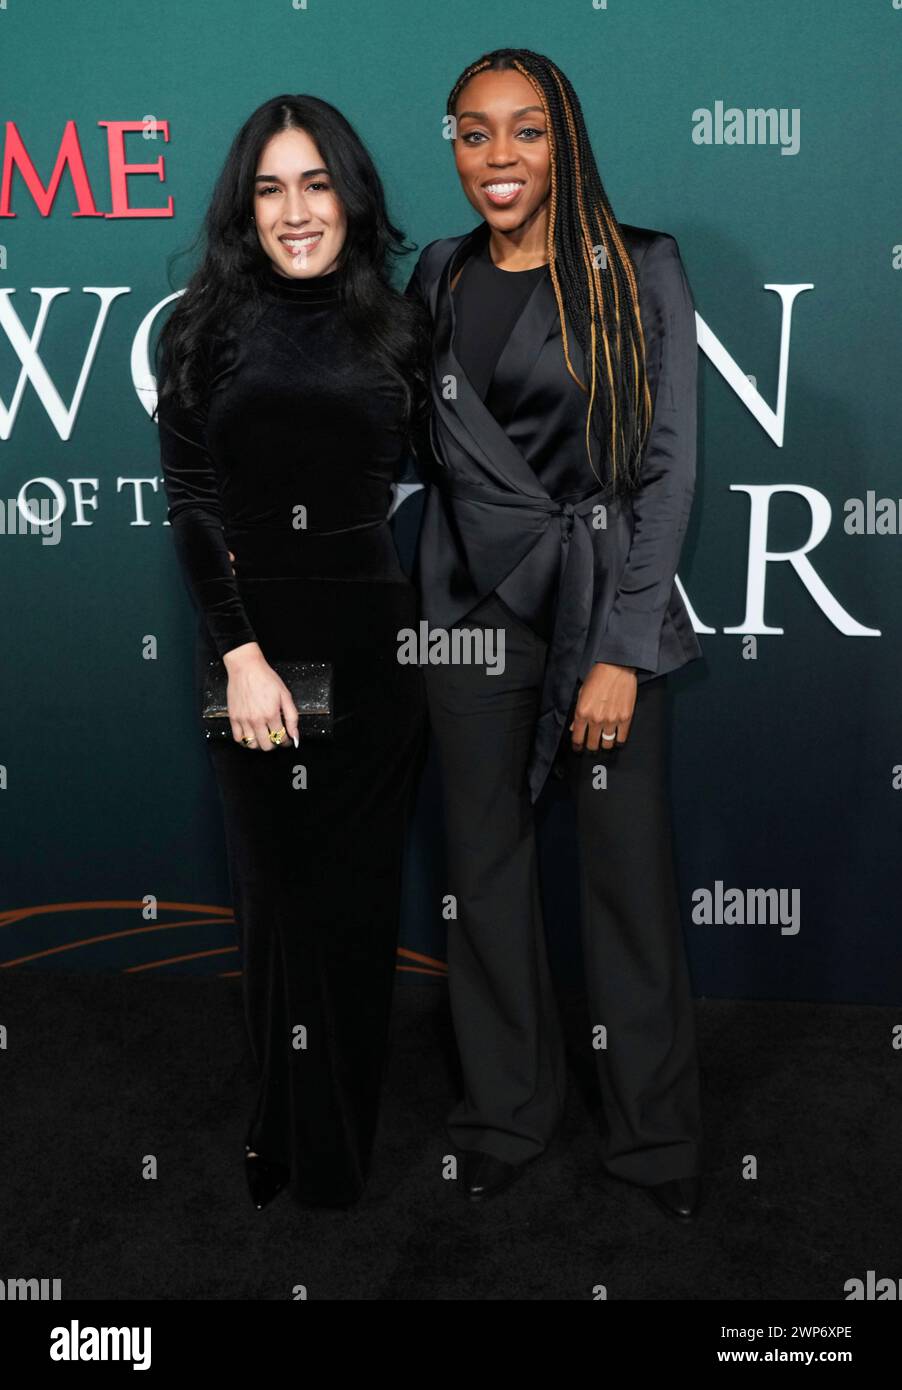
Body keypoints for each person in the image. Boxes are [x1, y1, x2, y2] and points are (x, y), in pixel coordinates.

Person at [406, 48, 704, 1220]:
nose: (497, 158)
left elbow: (669, 465)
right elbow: (408, 445)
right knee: (481, 876)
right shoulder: (434, 271)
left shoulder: (638, 267)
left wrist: (622, 648)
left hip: (598, 605)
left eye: (523, 131)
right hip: (464, 611)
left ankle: (654, 1138)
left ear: (562, 139)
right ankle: (503, 1113)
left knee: (625, 882)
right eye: (473, 134)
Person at [154, 94, 427, 1211]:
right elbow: (191, 499)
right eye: (270, 188)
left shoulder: (403, 326)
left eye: (315, 183)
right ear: (242, 206)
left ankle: (335, 1151)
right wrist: (242, 655)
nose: (295, 210)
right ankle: (280, 1131)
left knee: (356, 914)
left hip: (376, 652)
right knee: (276, 907)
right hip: (258, 657)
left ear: (350, 197)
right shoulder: (201, 329)